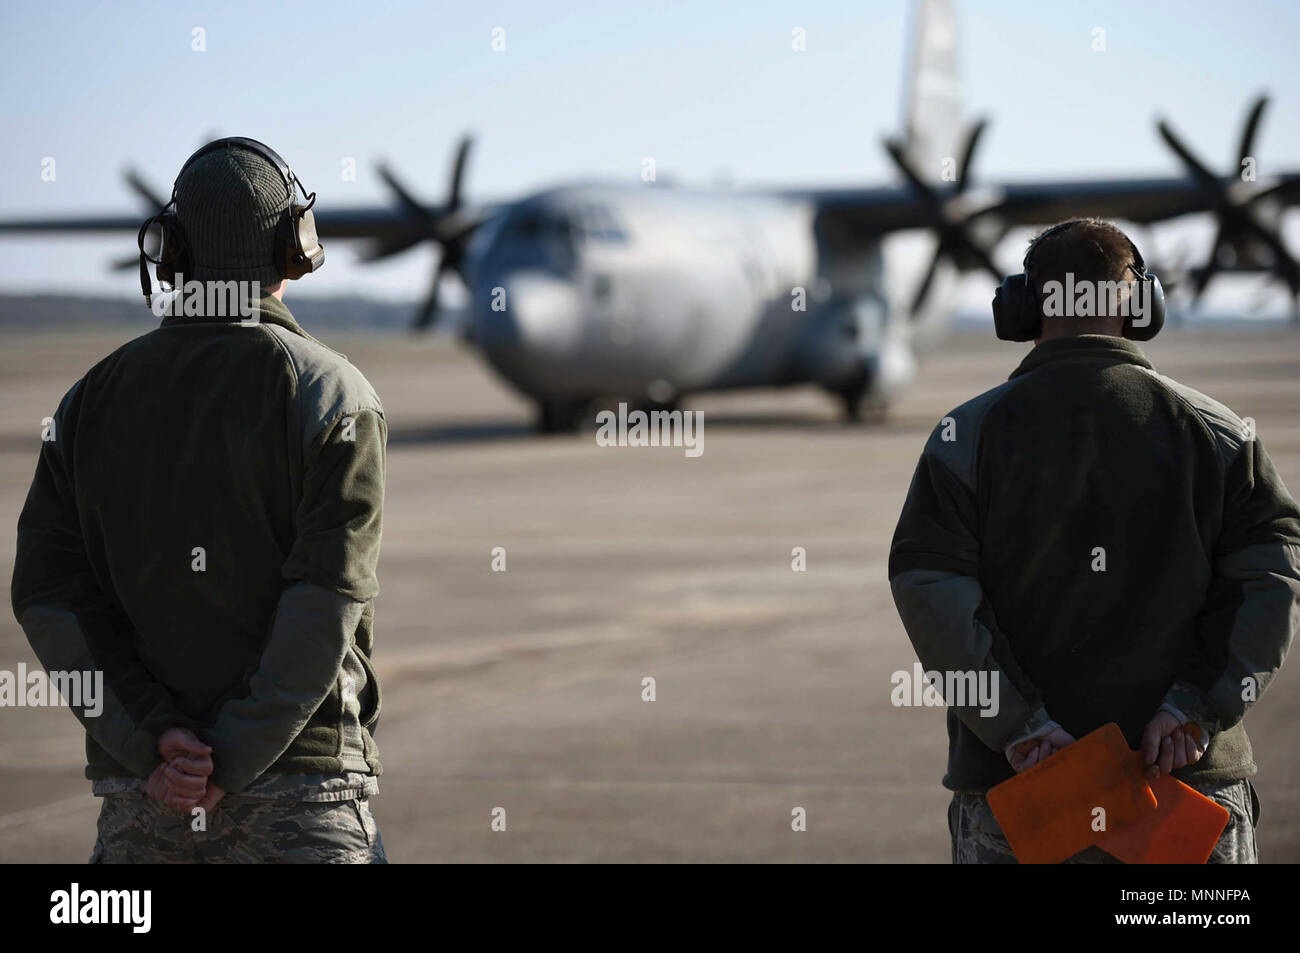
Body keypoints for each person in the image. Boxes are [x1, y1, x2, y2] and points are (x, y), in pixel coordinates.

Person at [12, 137, 388, 863]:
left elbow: (49, 597)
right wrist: (235, 756)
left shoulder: (88, 401)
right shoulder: (334, 396)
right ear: (294, 248)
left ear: (172, 251)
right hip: (299, 795)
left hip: (143, 799)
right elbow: (325, 597)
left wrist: (151, 740)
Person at [888, 218, 1300, 863]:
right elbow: (1271, 579)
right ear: (1140, 305)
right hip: (1183, 796)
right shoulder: (1219, 433)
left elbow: (929, 590)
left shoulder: (965, 436)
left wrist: (1019, 728)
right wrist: (1195, 708)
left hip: (1025, 797)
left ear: (1024, 308)